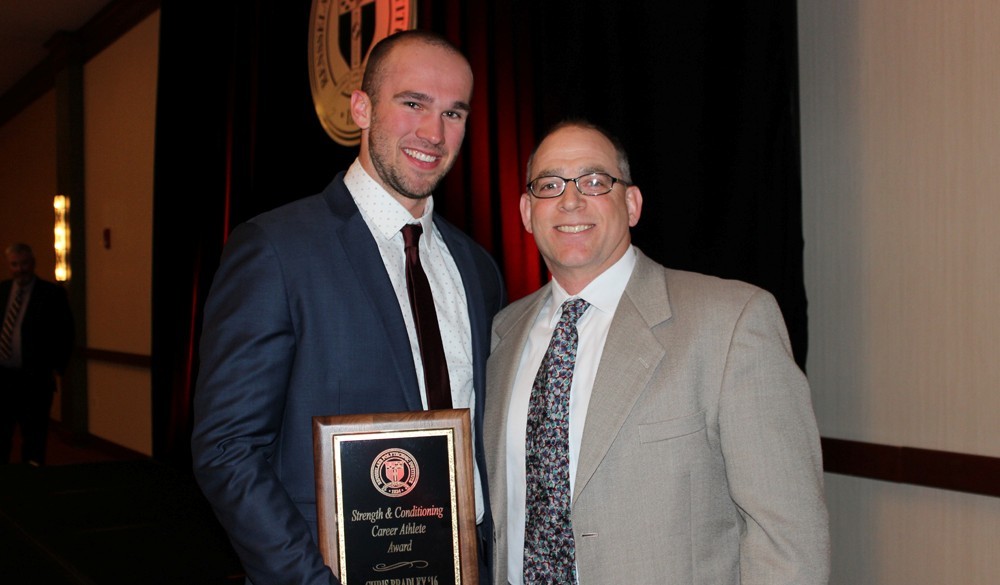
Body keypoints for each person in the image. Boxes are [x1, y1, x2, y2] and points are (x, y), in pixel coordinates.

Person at [190, 30, 505, 585]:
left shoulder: (476, 268)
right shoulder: (275, 249)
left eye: (454, 113)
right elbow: (227, 448)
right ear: (361, 107)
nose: (433, 132)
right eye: (413, 103)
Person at [484, 120, 830, 584]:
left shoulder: (731, 322)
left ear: (631, 204)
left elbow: (789, 540)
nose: (570, 200)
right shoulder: (504, 333)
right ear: (527, 212)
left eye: (593, 181)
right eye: (550, 185)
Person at [0, 243, 75, 466]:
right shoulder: (2, 291)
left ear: (32, 264)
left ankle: (32, 478)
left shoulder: (51, 294)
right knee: (2, 433)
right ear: (9, 266)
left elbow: (65, 332)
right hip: (3, 377)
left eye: (24, 264)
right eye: (15, 264)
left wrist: (55, 368)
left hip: (35, 378)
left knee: (34, 435)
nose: (20, 269)